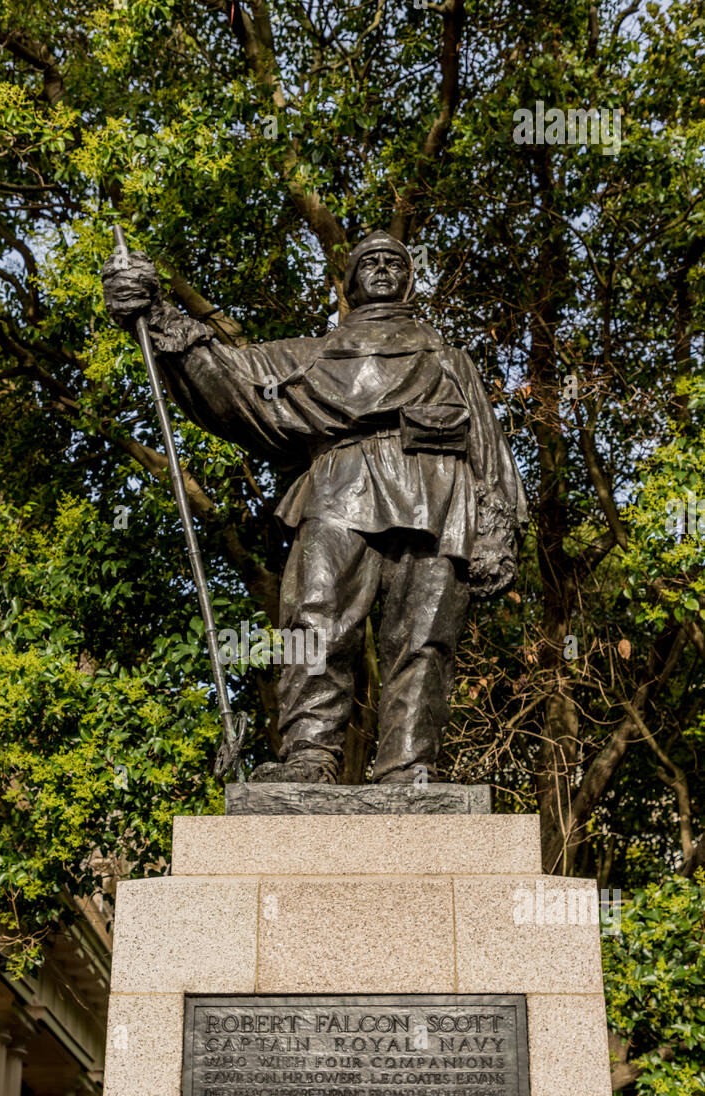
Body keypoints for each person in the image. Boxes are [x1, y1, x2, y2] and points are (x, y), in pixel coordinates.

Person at [102, 230, 528, 783]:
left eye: (393, 261)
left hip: (439, 498)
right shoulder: (308, 357)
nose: (381, 268)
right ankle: (309, 755)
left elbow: (488, 449)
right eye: (368, 262)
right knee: (316, 620)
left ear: (409, 277)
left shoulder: (450, 360)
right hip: (340, 489)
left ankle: (409, 765)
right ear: (350, 282)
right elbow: (229, 377)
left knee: (425, 636)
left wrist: (496, 530)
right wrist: (155, 313)